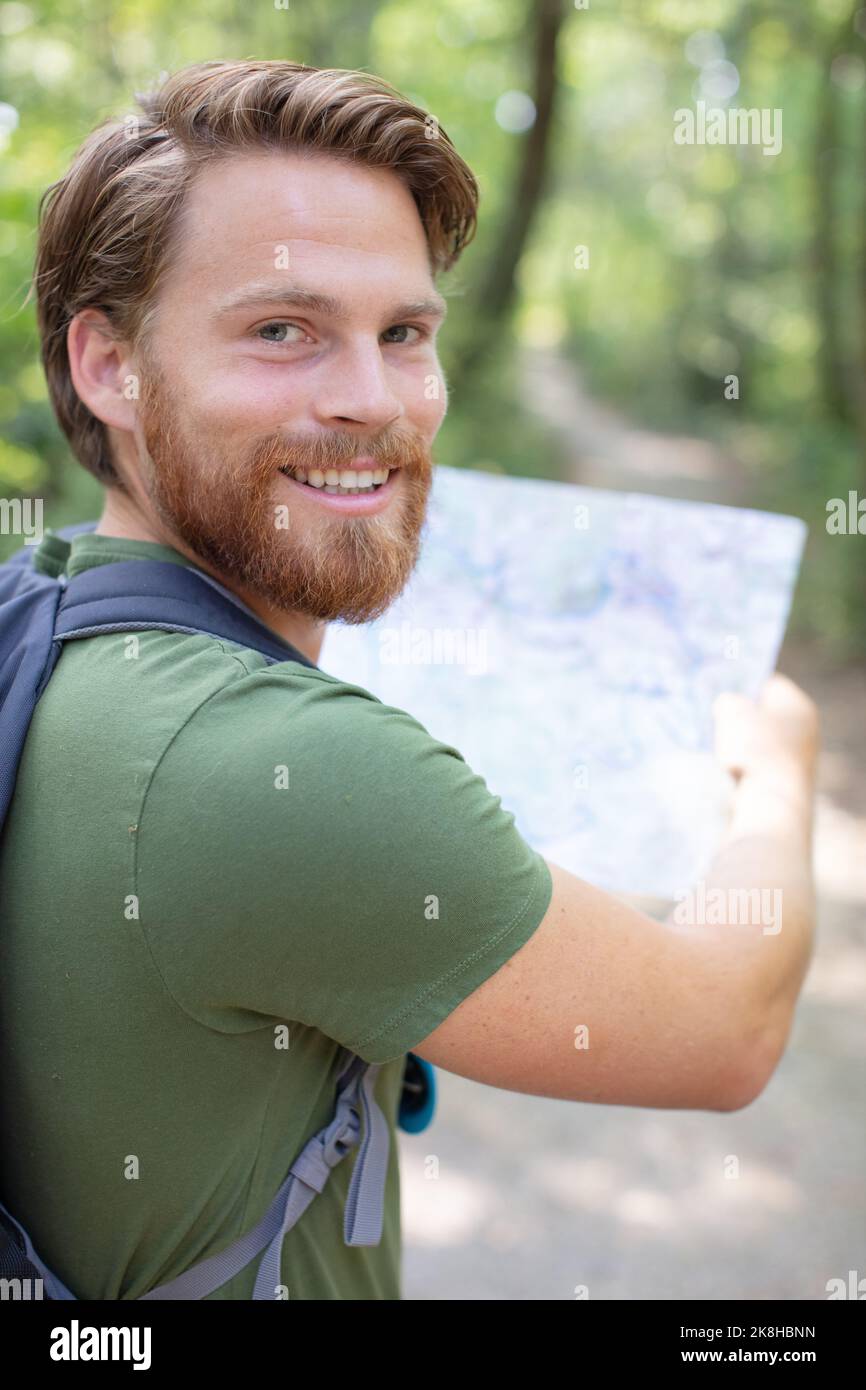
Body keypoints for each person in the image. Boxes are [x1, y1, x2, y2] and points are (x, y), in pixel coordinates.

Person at [0, 60, 819, 1301]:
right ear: (108, 366)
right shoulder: (270, 768)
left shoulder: (44, 602)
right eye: (282, 330)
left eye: (404, 334)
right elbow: (723, 1030)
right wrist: (780, 776)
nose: (371, 401)